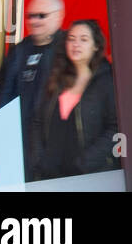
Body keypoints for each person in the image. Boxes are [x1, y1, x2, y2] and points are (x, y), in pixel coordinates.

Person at [29, 19, 119, 181]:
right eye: (71, 38)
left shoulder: (107, 81)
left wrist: (84, 163)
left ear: (95, 46)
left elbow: (115, 129)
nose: (76, 44)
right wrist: (39, 159)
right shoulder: (57, 77)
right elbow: (37, 121)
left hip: (88, 177)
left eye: (83, 39)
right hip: (50, 176)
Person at [0, 0, 65, 169]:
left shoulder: (70, 49)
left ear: (58, 16)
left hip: (55, 152)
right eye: (31, 16)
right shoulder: (18, 51)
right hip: (15, 150)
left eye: (42, 15)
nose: (34, 20)